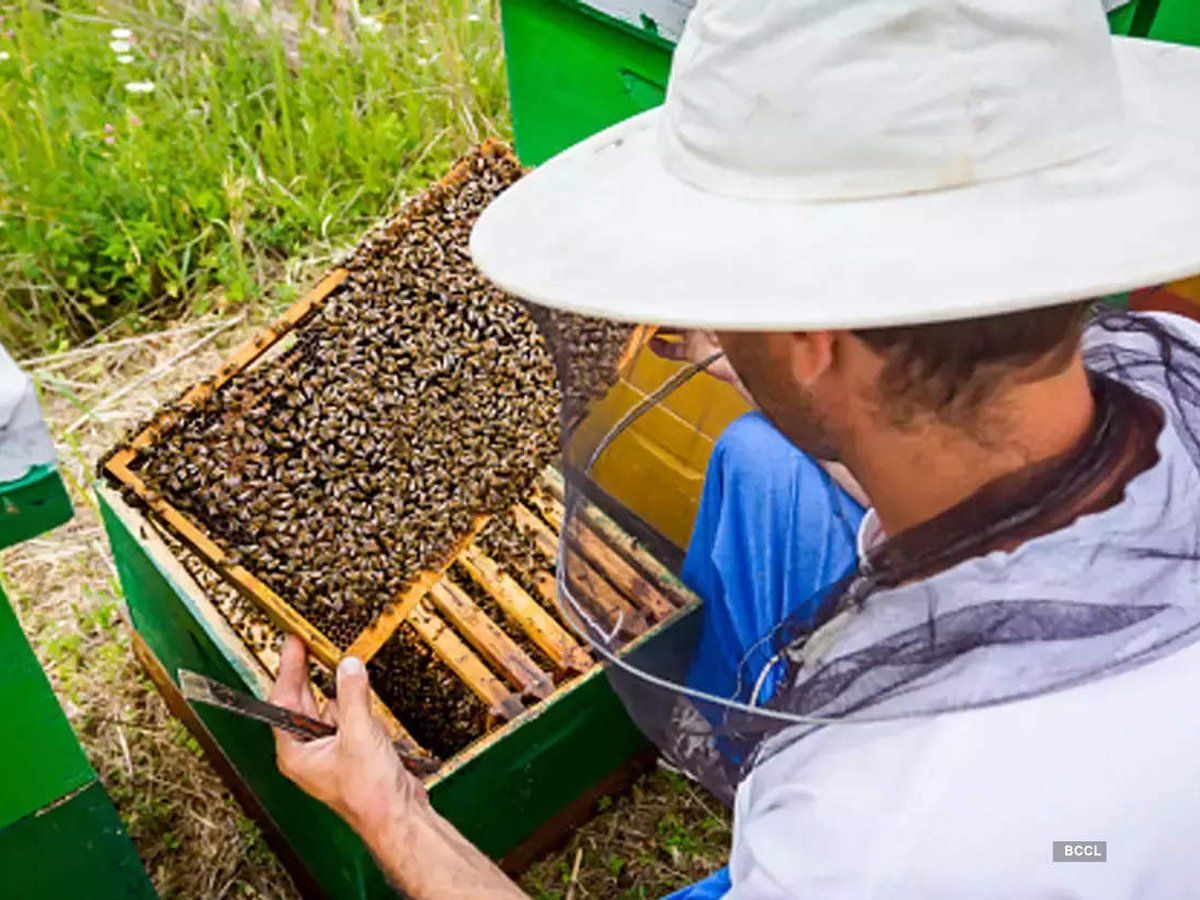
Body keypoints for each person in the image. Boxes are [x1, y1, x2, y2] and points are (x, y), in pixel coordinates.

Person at [272, 0, 1200, 895]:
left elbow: (942, 848)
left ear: (814, 340)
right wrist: (773, 368)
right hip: (1102, 836)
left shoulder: (875, 842)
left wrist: (391, 809)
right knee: (760, 460)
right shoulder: (1175, 366)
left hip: (1042, 849)